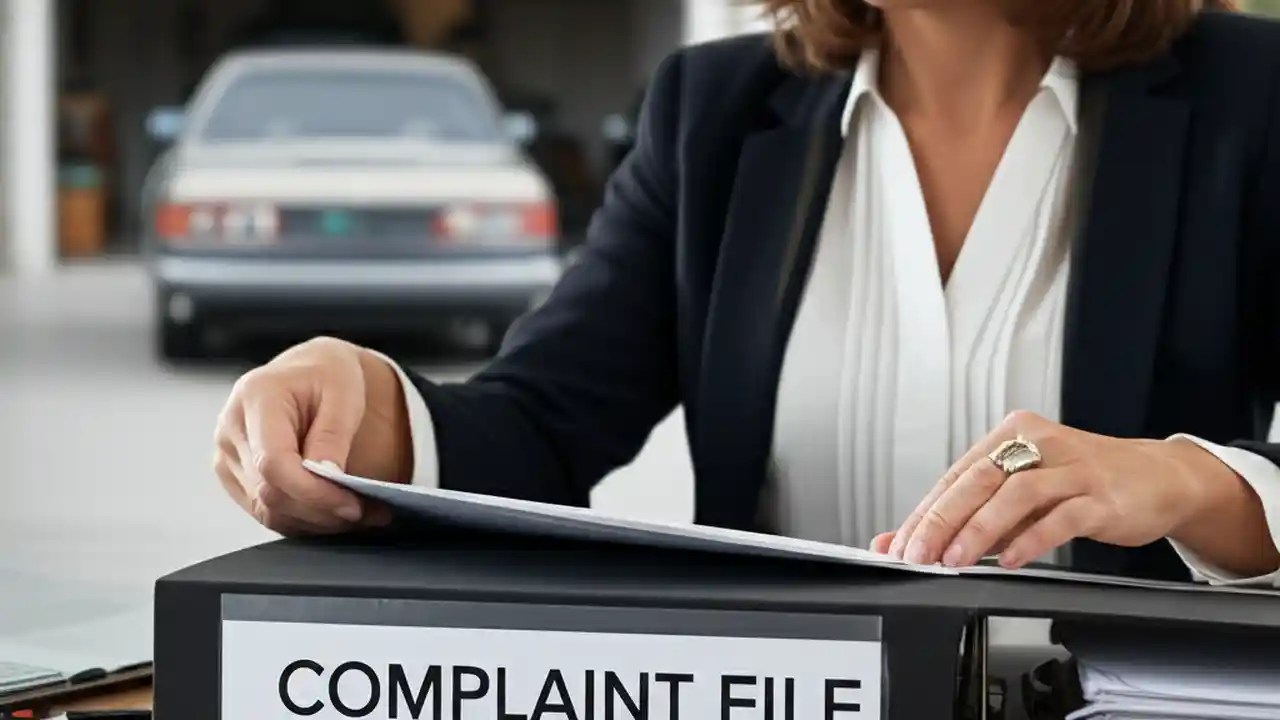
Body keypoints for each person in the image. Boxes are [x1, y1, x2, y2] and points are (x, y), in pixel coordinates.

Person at [214, 0, 1280, 585]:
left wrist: (1194, 485)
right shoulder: (712, 107)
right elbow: (539, 422)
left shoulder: (1251, 95)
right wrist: (364, 413)